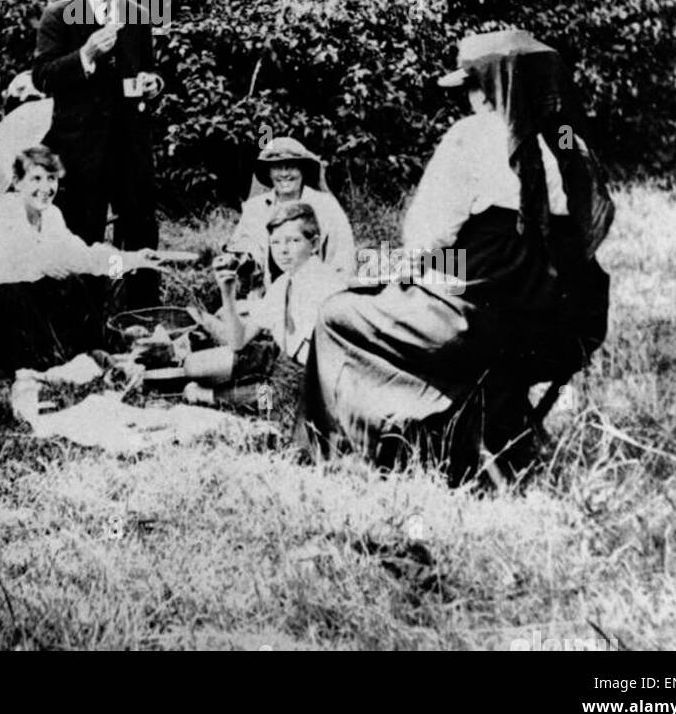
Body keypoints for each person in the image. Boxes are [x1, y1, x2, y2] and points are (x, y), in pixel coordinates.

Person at [304, 29, 614, 483]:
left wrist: (396, 272)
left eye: (469, 87)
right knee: (402, 294)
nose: (467, 99)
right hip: (560, 330)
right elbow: (587, 226)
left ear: (490, 88)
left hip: (475, 324)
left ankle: (355, 448)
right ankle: (460, 433)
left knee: (337, 313)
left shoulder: (471, 138)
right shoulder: (570, 142)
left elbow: (426, 239)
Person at [0, 145, 159, 378]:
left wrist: (133, 260)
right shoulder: (0, 211)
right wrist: (40, 265)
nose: (45, 188)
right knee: (16, 296)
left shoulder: (52, 216)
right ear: (17, 182)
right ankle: (37, 366)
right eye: (36, 179)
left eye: (51, 179)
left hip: (13, 292)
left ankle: (94, 350)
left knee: (73, 283)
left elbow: (83, 257)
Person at [32, 0, 162, 306]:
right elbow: (42, 77)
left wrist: (154, 84)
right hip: (80, 151)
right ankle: (86, 316)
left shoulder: (137, 15)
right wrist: (85, 55)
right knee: (84, 232)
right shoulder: (60, 13)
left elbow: (148, 70)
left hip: (130, 148)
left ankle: (140, 313)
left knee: (139, 229)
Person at [204, 201, 343, 434]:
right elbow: (239, 341)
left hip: (307, 382)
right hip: (277, 361)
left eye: (293, 241)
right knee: (195, 367)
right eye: (276, 243)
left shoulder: (328, 287)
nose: (283, 250)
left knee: (261, 400)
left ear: (315, 244)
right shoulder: (284, 283)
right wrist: (227, 294)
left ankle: (212, 396)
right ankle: (225, 391)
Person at [221, 136, 356, 289]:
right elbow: (242, 247)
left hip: (317, 293)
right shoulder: (255, 208)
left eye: (291, 166)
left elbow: (343, 258)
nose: (284, 174)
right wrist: (240, 259)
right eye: (277, 167)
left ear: (302, 170)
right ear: (269, 172)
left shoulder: (325, 206)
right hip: (267, 296)